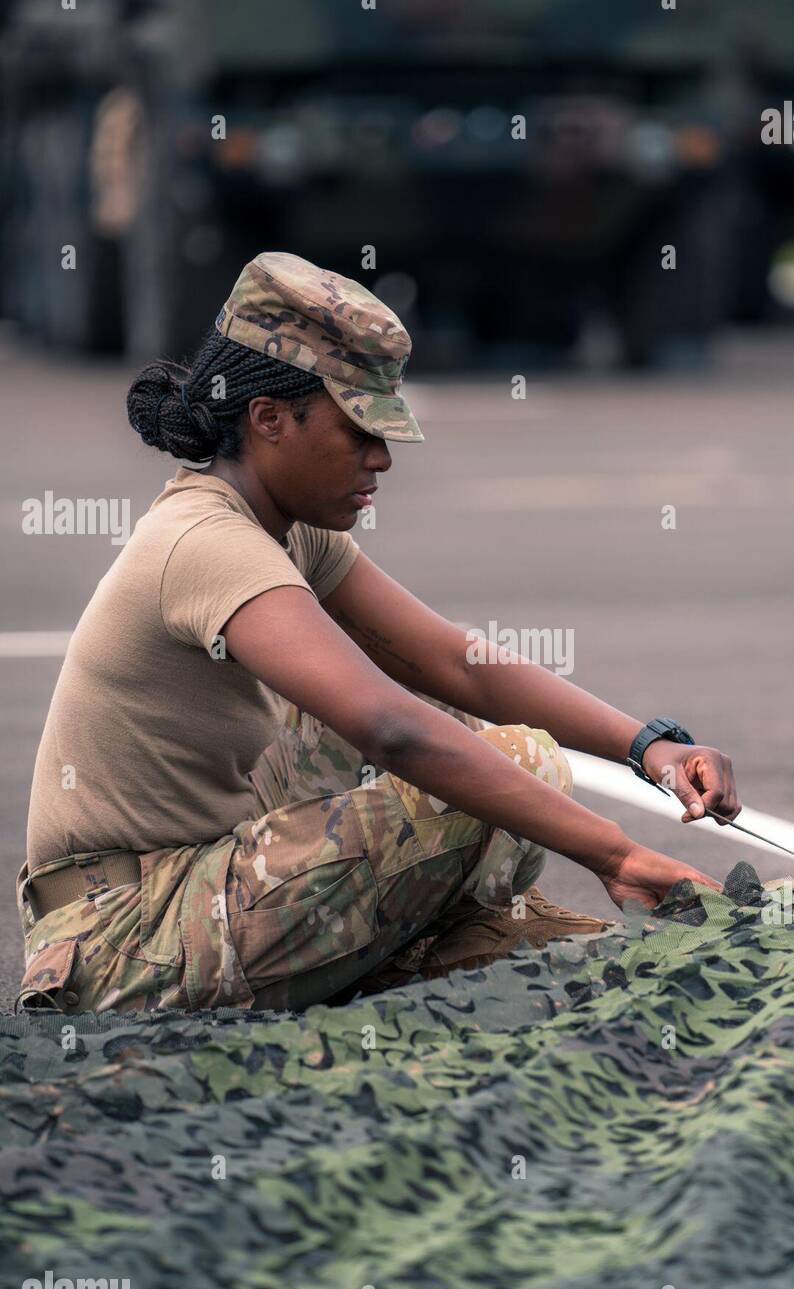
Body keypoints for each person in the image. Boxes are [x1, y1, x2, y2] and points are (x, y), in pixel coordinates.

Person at [16, 251, 739, 1015]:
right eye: (358, 430)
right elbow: (394, 731)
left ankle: (427, 948)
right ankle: (423, 951)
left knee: (462, 728)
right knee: (504, 758)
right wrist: (614, 853)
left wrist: (652, 746)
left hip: (181, 896)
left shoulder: (283, 529)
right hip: (118, 941)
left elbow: (456, 665)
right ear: (268, 420)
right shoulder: (205, 541)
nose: (382, 458)